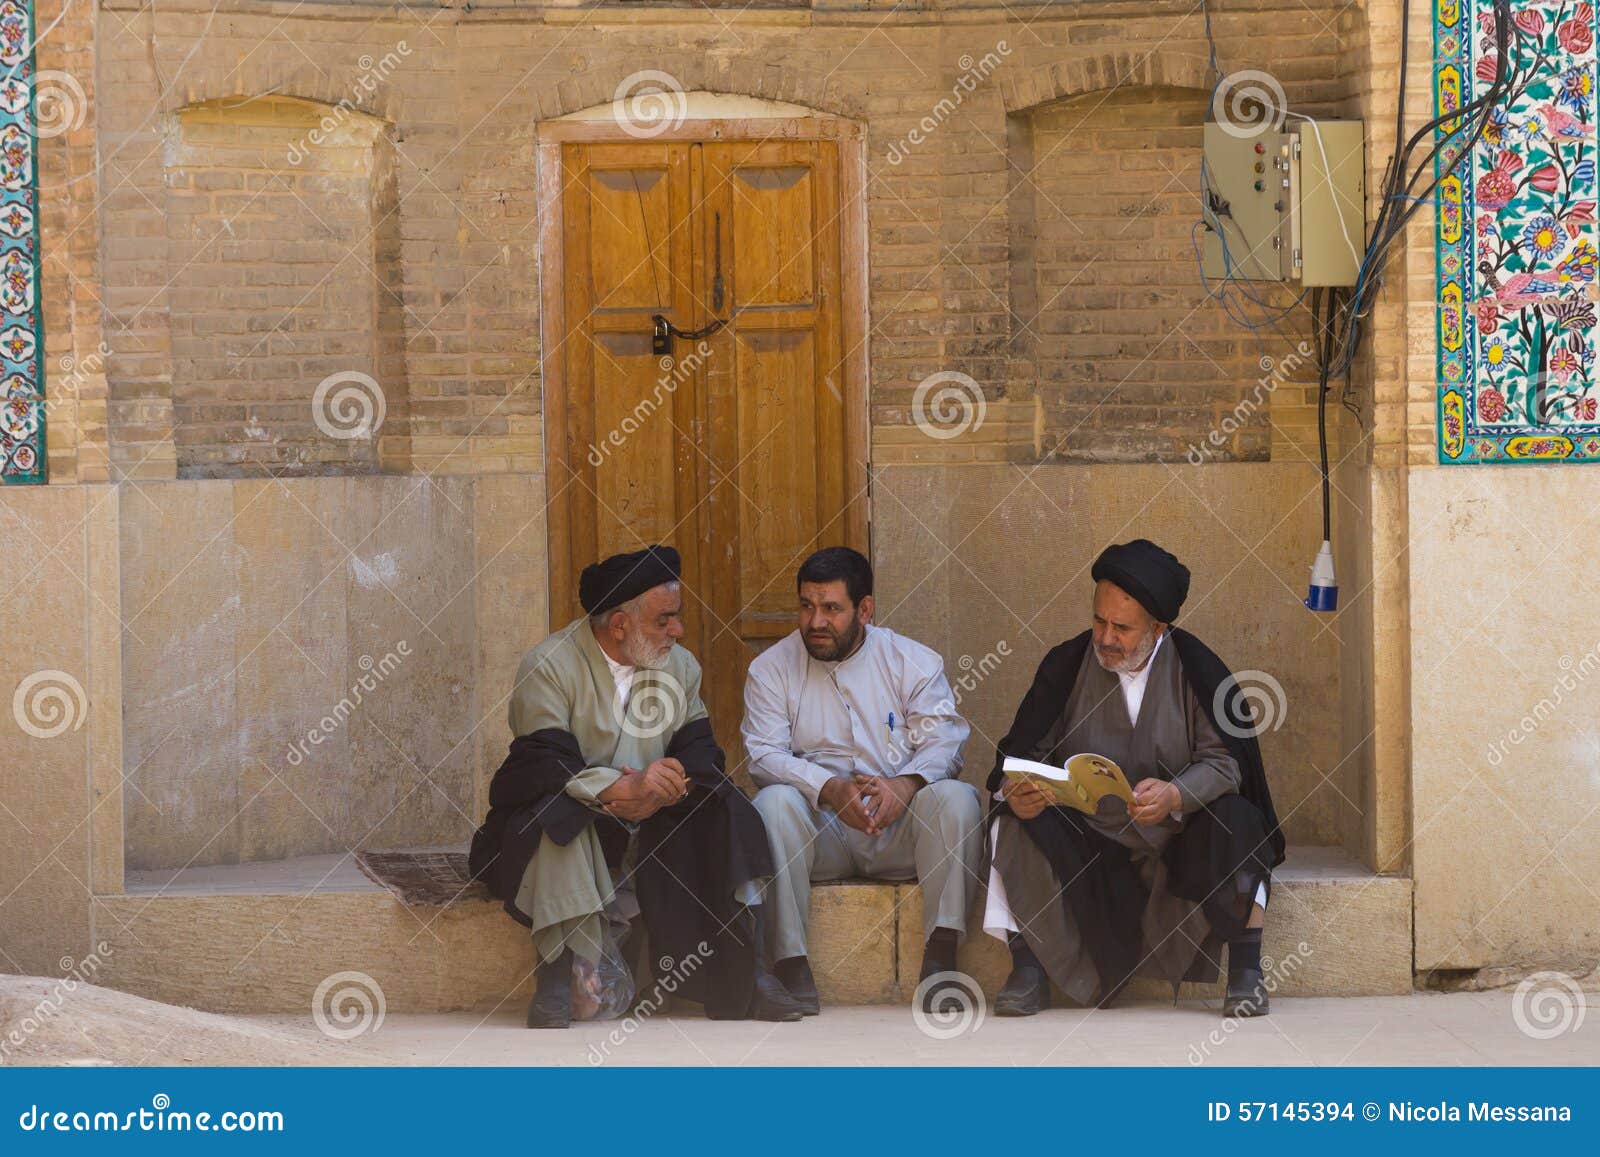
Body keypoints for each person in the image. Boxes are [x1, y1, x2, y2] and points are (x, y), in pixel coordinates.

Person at [468, 544, 804, 1028]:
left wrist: (669, 782)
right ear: (620, 624)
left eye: (677, 617)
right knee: (556, 820)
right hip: (582, 813)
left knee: (729, 808)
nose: (678, 630)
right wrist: (616, 791)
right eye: (664, 620)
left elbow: (701, 751)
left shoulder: (680, 666)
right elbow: (542, 761)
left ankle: (749, 971)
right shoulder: (550, 664)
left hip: (655, 816)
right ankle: (558, 972)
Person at [984, 539, 1284, 1018]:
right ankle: (1028, 968)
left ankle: (1247, 972)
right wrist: (1017, 790)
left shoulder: (1197, 670)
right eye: (1099, 621)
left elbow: (1227, 763)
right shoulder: (1067, 664)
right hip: (1089, 840)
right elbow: (1022, 754)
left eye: (1121, 628)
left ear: (1157, 627)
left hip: (1174, 839)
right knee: (1009, 820)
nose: (1105, 638)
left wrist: (1176, 794)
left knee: (1241, 821)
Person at [742, 546, 984, 1014]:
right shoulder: (771, 668)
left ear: (865, 609)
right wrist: (830, 788)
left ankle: (941, 958)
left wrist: (904, 785)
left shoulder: (912, 661)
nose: (815, 622)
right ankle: (791, 964)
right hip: (823, 831)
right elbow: (763, 754)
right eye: (806, 606)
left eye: (831, 608)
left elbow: (946, 741)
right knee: (772, 804)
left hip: (899, 828)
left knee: (957, 799)